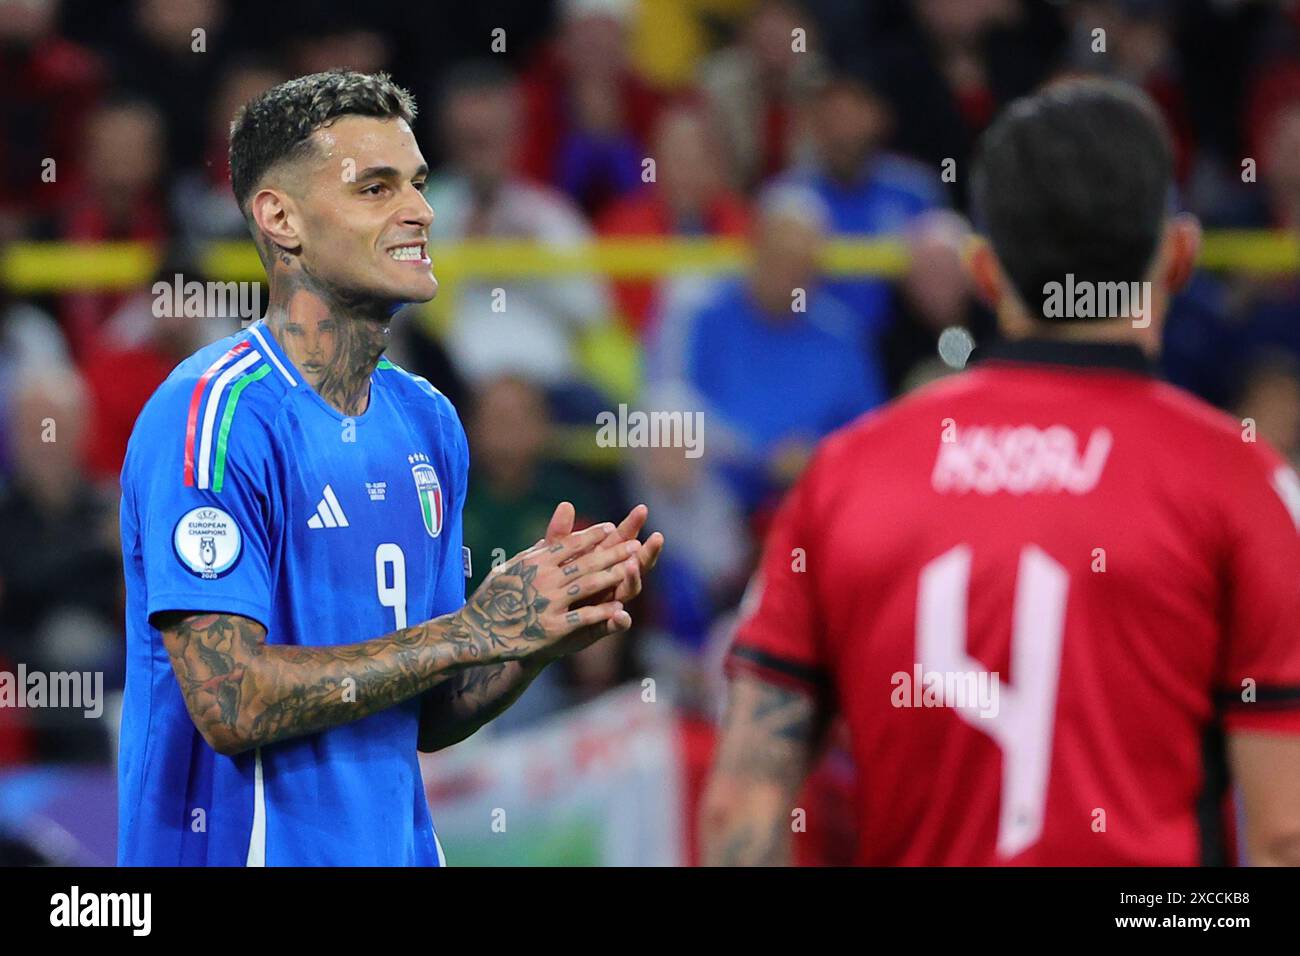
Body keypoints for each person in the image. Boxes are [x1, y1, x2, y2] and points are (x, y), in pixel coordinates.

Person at [701, 78, 1300, 866]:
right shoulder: (1241, 479)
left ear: (984, 272)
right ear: (1181, 255)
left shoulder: (847, 472)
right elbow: (1286, 831)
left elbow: (739, 809)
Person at [117, 70, 662, 867]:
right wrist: (471, 630)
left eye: (418, 184)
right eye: (376, 188)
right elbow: (230, 699)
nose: (421, 212)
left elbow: (430, 711)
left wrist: (530, 640)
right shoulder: (214, 413)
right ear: (281, 218)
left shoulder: (429, 421)